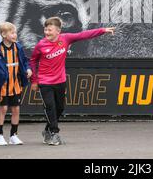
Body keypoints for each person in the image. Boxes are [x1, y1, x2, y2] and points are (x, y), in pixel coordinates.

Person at [30, 17, 115, 145]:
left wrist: (102, 30)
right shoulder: (41, 45)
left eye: (50, 30)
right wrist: (34, 80)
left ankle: (47, 130)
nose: (47, 32)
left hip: (60, 80)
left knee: (60, 108)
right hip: (45, 82)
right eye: (45, 29)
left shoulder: (66, 38)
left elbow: (83, 35)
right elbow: (32, 61)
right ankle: (54, 133)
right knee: (50, 107)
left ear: (58, 31)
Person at [0, 22, 31, 145]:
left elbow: (25, 61)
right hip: (3, 86)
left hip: (16, 85)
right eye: (12, 33)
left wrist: (28, 69)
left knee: (16, 110)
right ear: (3, 34)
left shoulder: (18, 47)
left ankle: (13, 135)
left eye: (15, 32)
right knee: (3, 109)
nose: (15, 35)